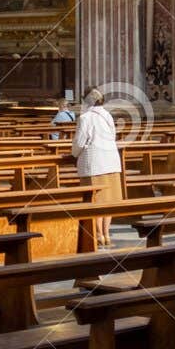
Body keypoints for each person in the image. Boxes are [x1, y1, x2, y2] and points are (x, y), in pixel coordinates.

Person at [72, 87, 122, 246]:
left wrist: (74, 154)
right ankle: (106, 234)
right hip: (111, 161)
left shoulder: (85, 118)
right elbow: (113, 136)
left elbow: (79, 142)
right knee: (108, 200)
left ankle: (98, 234)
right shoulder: (108, 116)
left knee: (95, 200)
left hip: (94, 163)